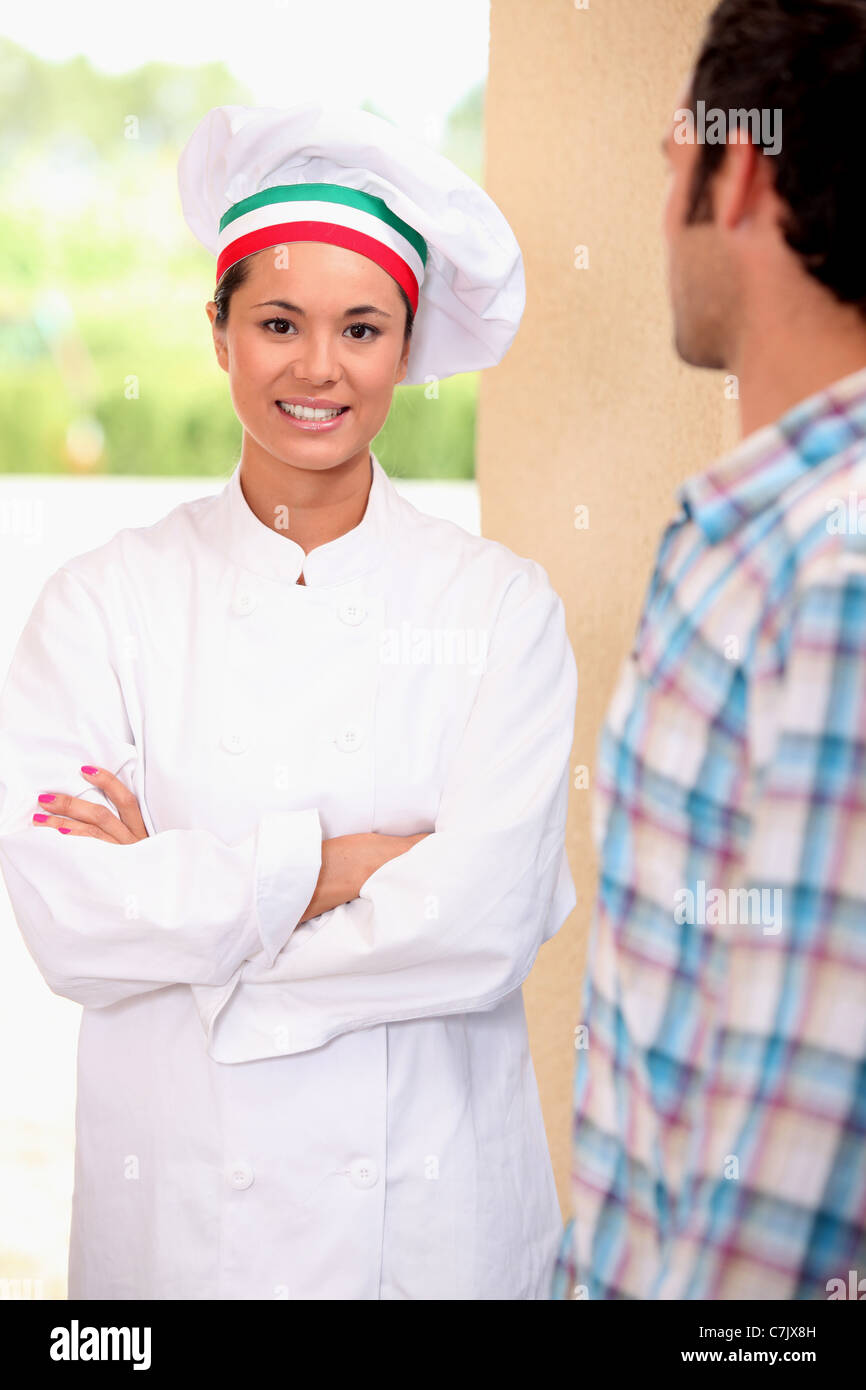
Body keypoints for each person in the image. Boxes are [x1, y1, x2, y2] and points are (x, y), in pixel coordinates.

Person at [0, 103, 577, 1300]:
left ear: (406, 349)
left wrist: (187, 908)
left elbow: (481, 918)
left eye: (361, 328)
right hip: (179, 1240)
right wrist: (339, 862)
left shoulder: (500, 609)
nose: (318, 369)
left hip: (430, 1241)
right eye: (276, 323)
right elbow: (68, 917)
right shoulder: (99, 605)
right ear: (218, 335)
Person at [553, 0, 866, 1300]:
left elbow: (791, 1145)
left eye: (671, 152)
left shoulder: (838, 565)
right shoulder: (759, 527)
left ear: (734, 165)